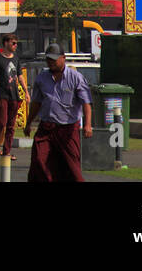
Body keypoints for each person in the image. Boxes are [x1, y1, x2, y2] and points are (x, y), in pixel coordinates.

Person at [23, 43, 93, 182]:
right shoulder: (42, 78)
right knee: (38, 159)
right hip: (46, 128)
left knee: (71, 167)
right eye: (48, 59)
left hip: (68, 129)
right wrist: (29, 123)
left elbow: (86, 102)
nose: (51, 62)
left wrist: (88, 125)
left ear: (63, 58)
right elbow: (36, 103)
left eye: (54, 59)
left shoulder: (76, 78)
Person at [0, 33, 24, 159]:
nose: (15, 45)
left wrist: (26, 91)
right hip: (2, 94)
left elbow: (20, 76)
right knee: (2, 121)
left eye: (16, 43)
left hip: (14, 95)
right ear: (6, 43)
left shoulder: (16, 59)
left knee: (11, 125)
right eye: (13, 43)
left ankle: (6, 151)